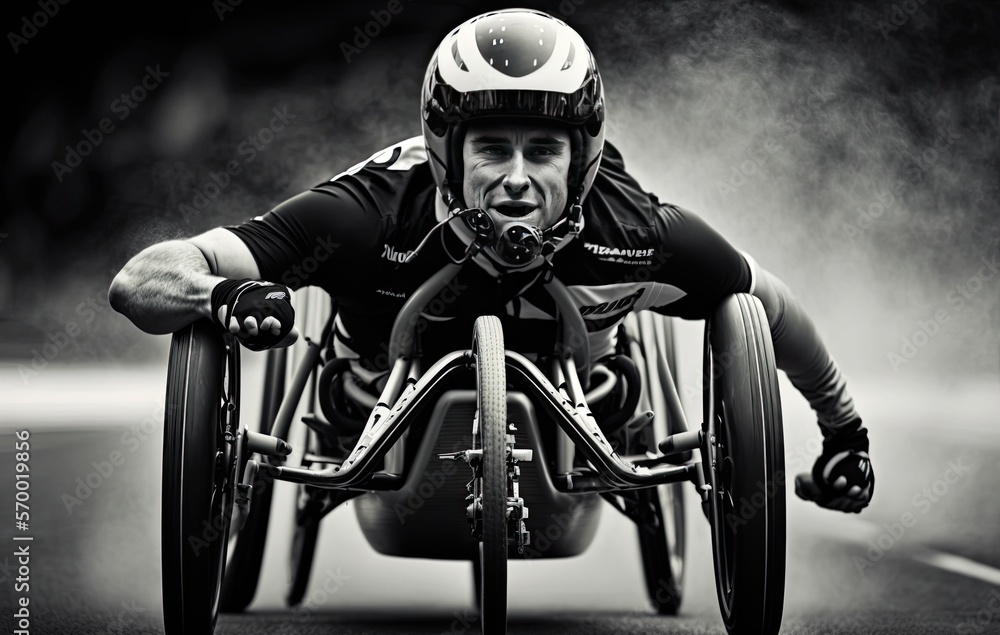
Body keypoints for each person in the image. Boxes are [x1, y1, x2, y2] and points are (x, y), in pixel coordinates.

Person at [109, 8, 873, 513]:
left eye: (543, 150)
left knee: (711, 318)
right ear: (446, 153)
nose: (516, 176)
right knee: (332, 364)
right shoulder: (364, 213)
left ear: (582, 161)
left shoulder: (635, 228)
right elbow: (138, 281)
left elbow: (767, 307)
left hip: (588, 409)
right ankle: (349, 390)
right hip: (369, 406)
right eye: (491, 148)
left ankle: (611, 394)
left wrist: (844, 430)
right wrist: (222, 299)